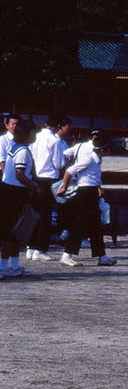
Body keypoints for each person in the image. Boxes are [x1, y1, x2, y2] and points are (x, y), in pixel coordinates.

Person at [56, 131, 116, 267]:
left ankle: (102, 256)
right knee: (79, 225)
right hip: (84, 193)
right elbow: (70, 171)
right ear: (102, 150)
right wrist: (64, 187)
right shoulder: (89, 159)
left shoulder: (97, 159)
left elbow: (93, 176)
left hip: (92, 192)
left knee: (95, 226)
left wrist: (98, 187)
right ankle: (67, 255)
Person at [26, 115, 71, 262]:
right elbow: (58, 163)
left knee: (35, 214)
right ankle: (40, 249)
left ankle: (31, 247)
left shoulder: (36, 137)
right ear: (58, 126)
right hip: (48, 179)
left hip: (35, 177)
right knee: (45, 216)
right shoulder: (54, 140)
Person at [1, 121, 40, 277]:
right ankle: (3, 266)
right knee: (11, 231)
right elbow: (19, 175)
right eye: (34, 132)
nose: (35, 135)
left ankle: (13, 265)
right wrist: (35, 186)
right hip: (15, 194)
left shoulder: (15, 147)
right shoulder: (23, 151)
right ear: (27, 133)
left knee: (13, 231)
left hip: (9, 191)